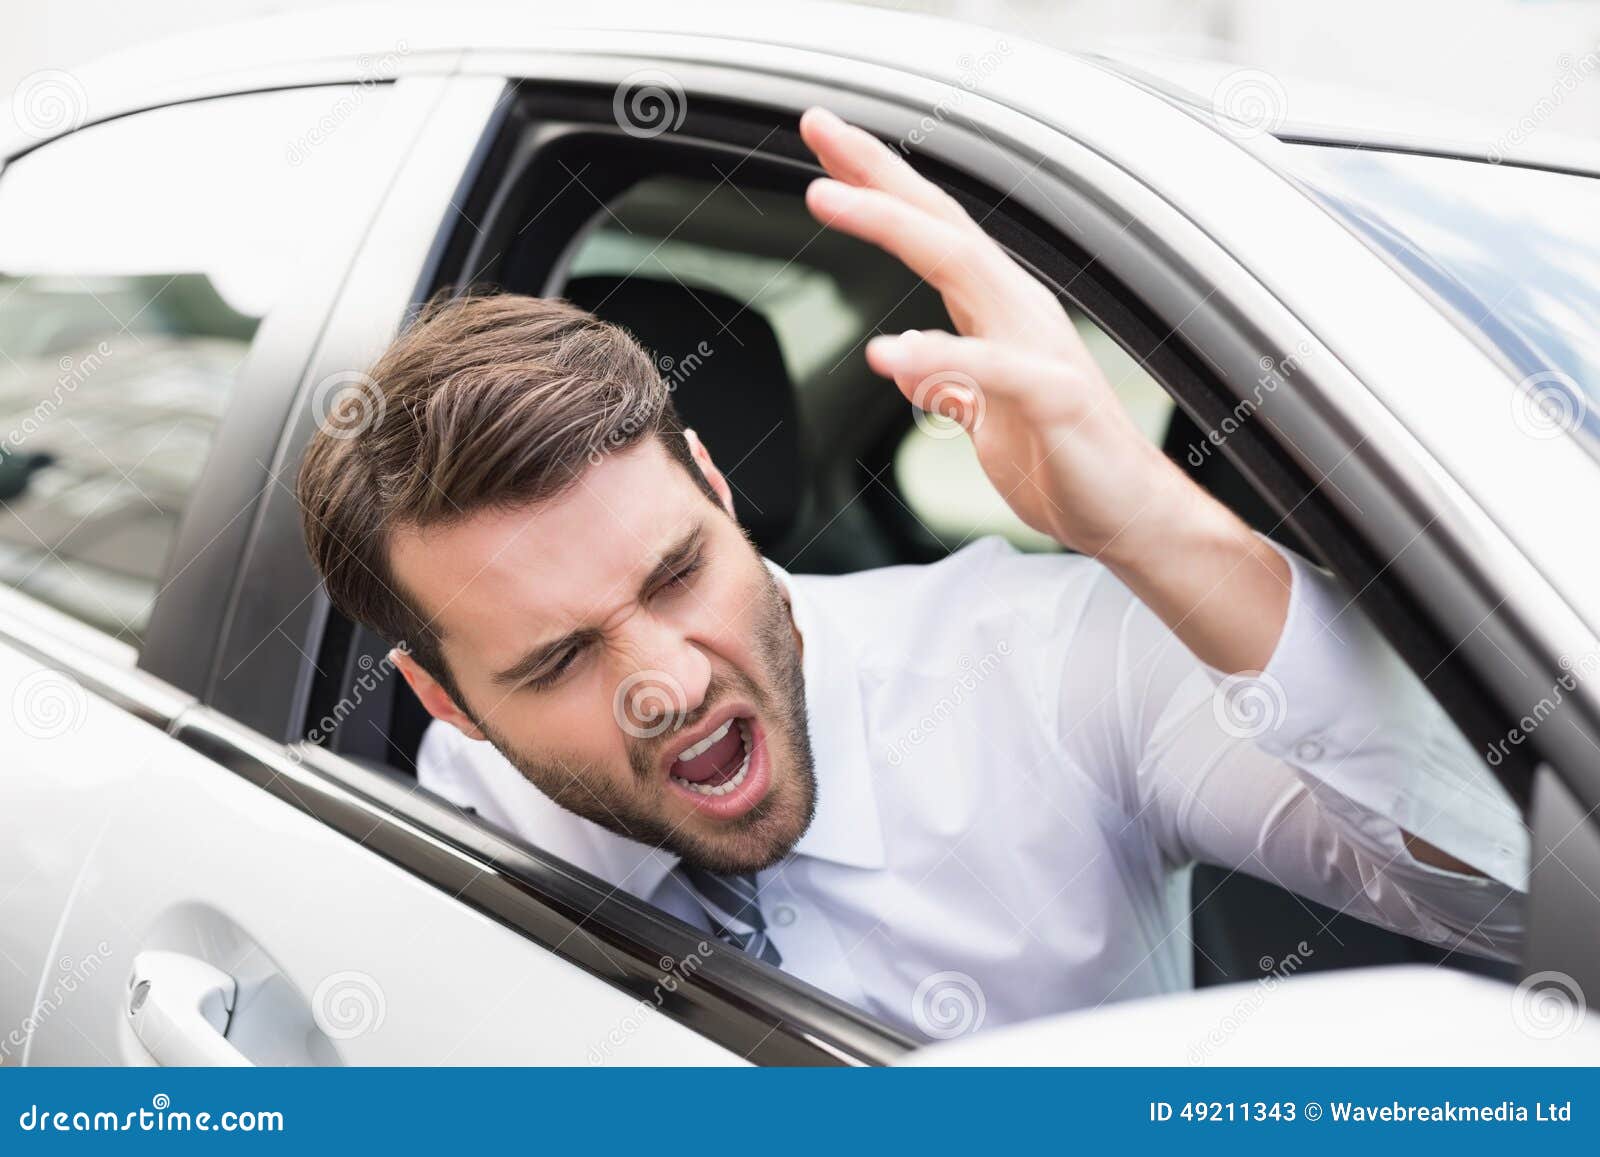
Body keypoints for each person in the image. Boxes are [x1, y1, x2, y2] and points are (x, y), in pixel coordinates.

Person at [295, 107, 1525, 1038]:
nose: (663, 682)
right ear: (450, 702)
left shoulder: (1053, 659)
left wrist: (1153, 525)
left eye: (677, 574)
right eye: (559, 657)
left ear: (722, 498)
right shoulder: (455, 798)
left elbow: (1516, 895)